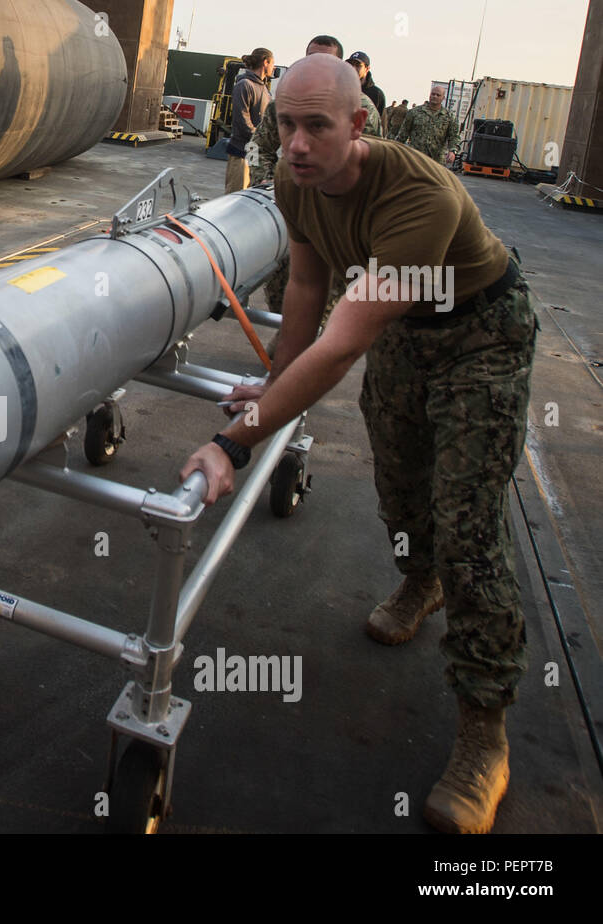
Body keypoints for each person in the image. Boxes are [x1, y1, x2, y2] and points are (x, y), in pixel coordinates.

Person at [178, 54, 536, 835]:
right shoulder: (292, 180)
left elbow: (340, 347)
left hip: (482, 336)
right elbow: (307, 287)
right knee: (401, 491)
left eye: (316, 127)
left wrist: (235, 441)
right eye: (285, 125)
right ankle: (419, 582)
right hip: (407, 335)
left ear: (359, 126)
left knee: (467, 523)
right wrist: (272, 389)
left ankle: (484, 731)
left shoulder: (419, 195)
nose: (297, 144)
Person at [249, 35, 381, 330]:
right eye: (310, 58)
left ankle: (309, 346)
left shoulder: (363, 109)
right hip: (290, 213)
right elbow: (256, 147)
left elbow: (373, 159)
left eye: (326, 60)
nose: (316, 65)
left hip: (338, 218)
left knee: (331, 292)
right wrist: (267, 182)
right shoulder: (284, 100)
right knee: (280, 286)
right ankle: (290, 337)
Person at [225, 47, 274, 193]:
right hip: (241, 150)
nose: (274, 67)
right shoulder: (244, 85)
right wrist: (260, 139)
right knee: (235, 195)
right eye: (272, 63)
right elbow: (242, 120)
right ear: (265, 62)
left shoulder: (264, 89)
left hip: (254, 151)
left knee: (251, 195)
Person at [395, 85, 461, 164]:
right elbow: (403, 133)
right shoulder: (415, 112)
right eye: (433, 94)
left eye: (438, 95)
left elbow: (454, 136)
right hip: (415, 158)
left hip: (436, 161)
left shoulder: (449, 117)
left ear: (443, 98)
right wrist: (395, 149)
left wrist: (453, 151)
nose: (434, 96)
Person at [347, 51, 385, 118]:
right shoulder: (342, 89)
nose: (353, 68)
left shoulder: (376, 94)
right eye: (351, 64)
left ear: (367, 69)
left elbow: (381, 124)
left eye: (358, 65)